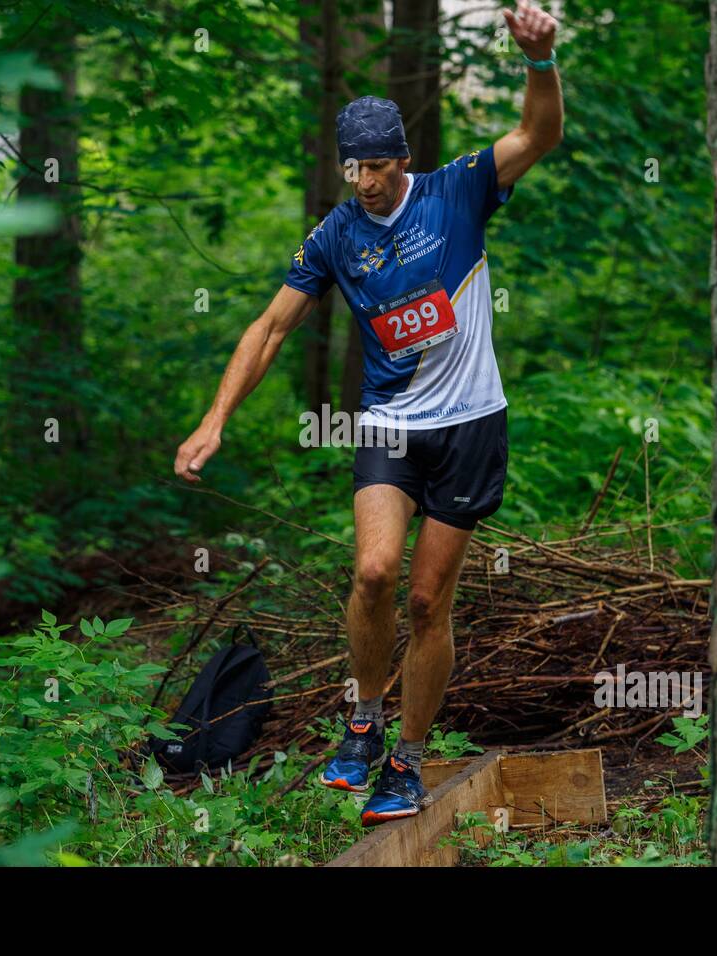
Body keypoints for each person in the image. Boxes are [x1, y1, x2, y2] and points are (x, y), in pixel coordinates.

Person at [174, 0, 562, 824]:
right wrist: (216, 419)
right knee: (374, 573)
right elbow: (272, 327)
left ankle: (409, 759)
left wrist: (540, 61)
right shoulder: (336, 236)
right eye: (356, 168)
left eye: (381, 166)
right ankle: (363, 718)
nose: (368, 180)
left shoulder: (458, 191)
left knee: (427, 602)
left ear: (404, 159)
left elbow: (537, 138)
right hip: (389, 420)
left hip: (469, 425)